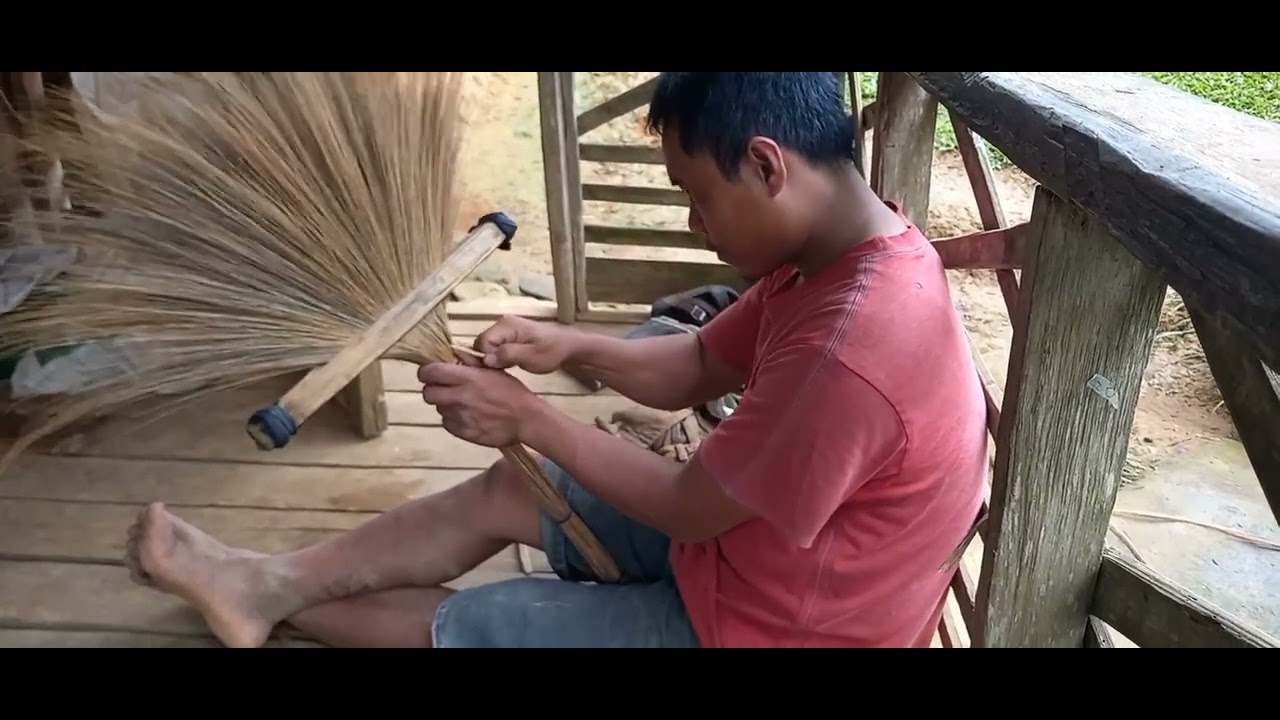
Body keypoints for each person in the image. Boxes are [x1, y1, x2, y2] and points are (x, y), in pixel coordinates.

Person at [123, 72, 989, 648]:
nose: (695, 224)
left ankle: (265, 597)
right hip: (754, 551)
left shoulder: (855, 346)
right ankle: (261, 584)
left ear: (766, 165)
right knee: (512, 486)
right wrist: (566, 347)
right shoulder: (835, 257)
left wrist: (530, 417)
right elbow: (690, 366)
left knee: (494, 623)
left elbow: (690, 509)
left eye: (696, 196)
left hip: (785, 628)